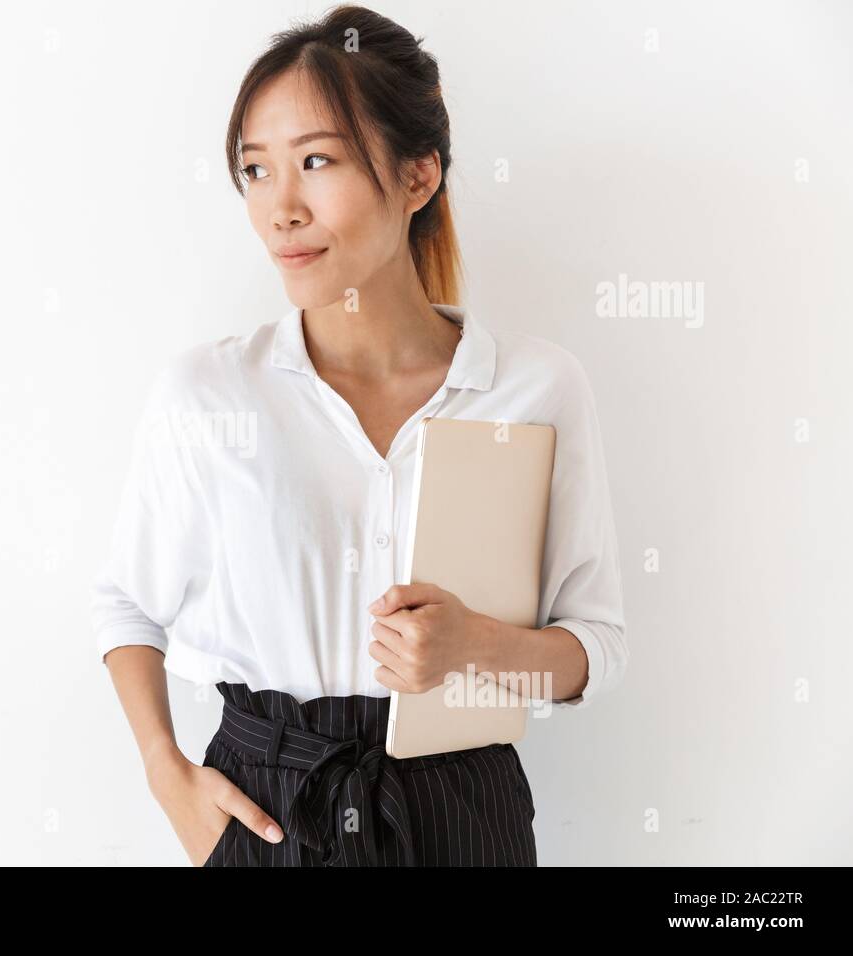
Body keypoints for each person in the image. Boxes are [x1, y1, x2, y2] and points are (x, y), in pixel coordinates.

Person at [90, 4, 627, 867]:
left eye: (315, 161)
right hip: (267, 810)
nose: (280, 208)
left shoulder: (538, 388)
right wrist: (167, 775)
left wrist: (476, 648)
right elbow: (127, 604)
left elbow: (593, 650)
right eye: (255, 171)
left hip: (463, 813)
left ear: (418, 177)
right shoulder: (206, 394)